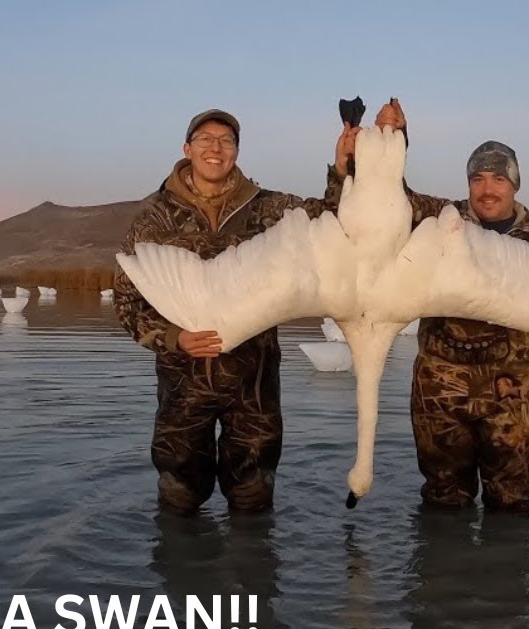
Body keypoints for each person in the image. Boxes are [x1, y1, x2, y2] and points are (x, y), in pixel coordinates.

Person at [339, 100, 529, 514]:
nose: (487, 188)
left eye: (498, 178)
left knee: (514, 504)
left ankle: (507, 573)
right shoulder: (439, 218)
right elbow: (386, 196)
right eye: (477, 178)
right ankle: (442, 573)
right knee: (443, 502)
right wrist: (396, 136)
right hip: (441, 391)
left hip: (512, 395)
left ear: (514, 184)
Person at [113, 108, 355, 515]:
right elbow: (126, 300)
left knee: (253, 491)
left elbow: (331, 220)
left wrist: (343, 169)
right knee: (179, 491)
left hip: (253, 383)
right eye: (206, 139)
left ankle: (252, 573)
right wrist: (174, 338)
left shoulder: (268, 209)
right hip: (183, 384)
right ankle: (184, 572)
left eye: (226, 141)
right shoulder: (153, 218)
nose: (216, 148)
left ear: (236, 153)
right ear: (187, 148)